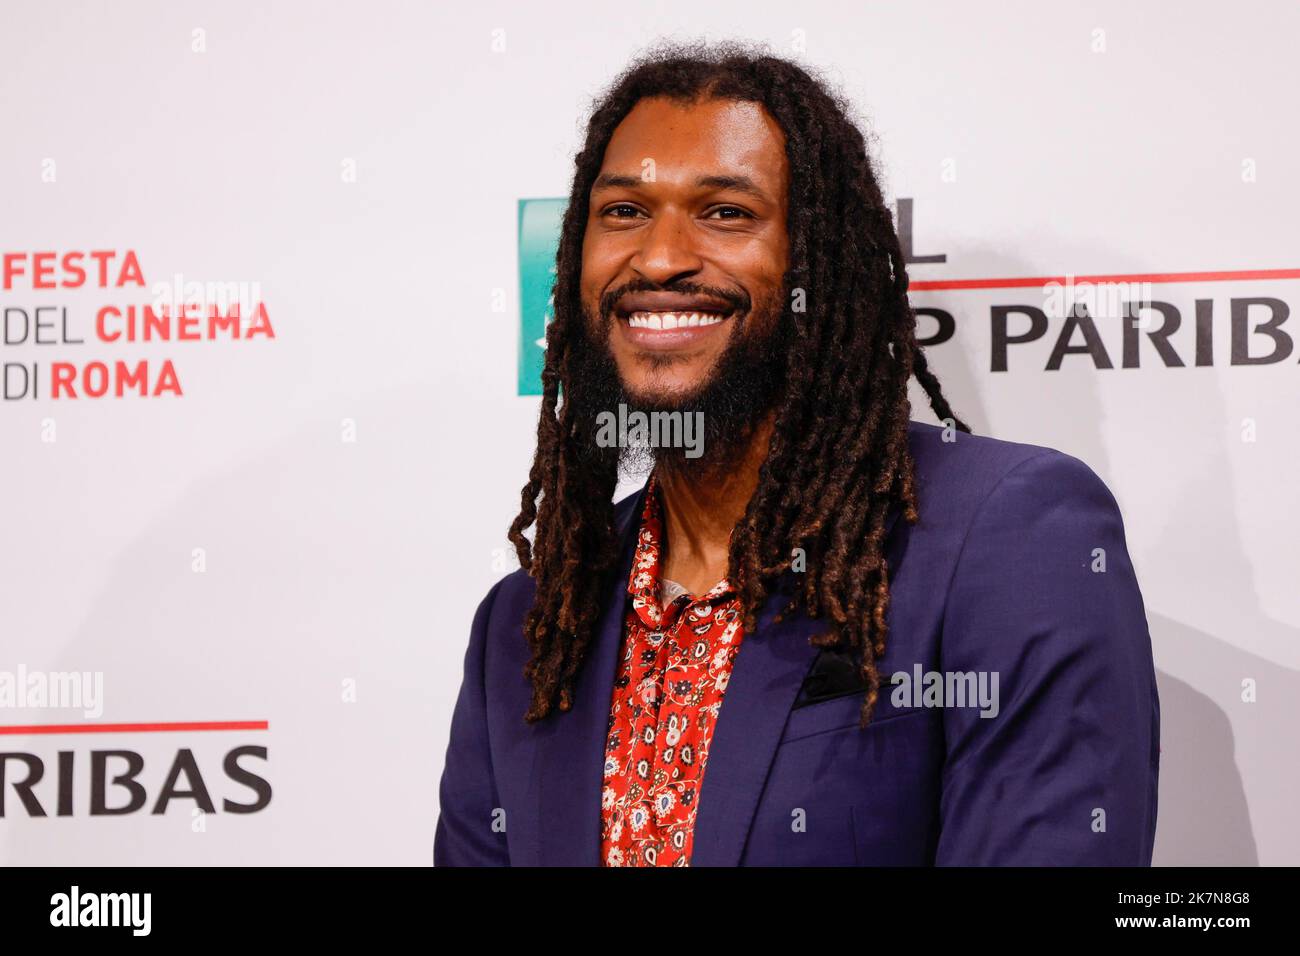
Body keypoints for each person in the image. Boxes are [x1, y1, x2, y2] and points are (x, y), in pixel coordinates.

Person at [434, 42, 1160, 867]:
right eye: (625, 211)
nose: (662, 257)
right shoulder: (529, 622)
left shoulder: (1012, 540)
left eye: (726, 213)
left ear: (818, 259)